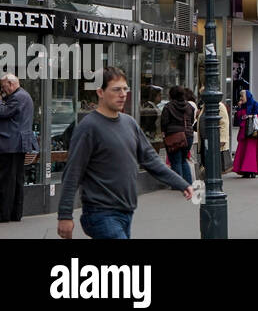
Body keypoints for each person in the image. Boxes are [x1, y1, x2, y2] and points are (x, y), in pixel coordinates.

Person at [58, 67, 192, 239]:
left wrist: (182, 183)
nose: (123, 94)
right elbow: (72, 173)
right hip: (100, 214)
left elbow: (151, 160)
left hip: (126, 212)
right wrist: (64, 216)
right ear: (100, 92)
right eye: (116, 89)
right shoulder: (88, 127)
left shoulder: (129, 123)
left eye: (125, 89)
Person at [0, 74, 36, 222]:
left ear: (11, 83)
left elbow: (3, 112)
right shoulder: (22, 95)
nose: (3, 90)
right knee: (15, 180)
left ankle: (4, 214)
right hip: (15, 144)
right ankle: (15, 213)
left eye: (3, 86)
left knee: (7, 181)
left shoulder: (18, 97)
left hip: (11, 144)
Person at [159, 86, 195, 184]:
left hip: (174, 136)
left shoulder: (168, 107)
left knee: (175, 160)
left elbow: (164, 123)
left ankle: (178, 184)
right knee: (183, 159)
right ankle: (188, 182)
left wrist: (165, 132)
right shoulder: (189, 106)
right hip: (188, 135)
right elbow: (191, 120)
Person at [232, 90, 258, 177]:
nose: (241, 98)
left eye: (242, 96)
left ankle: (251, 170)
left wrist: (252, 116)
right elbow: (238, 118)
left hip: (252, 132)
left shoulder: (255, 105)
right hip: (243, 131)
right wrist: (239, 108)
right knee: (243, 150)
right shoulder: (242, 106)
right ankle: (244, 170)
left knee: (250, 152)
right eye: (240, 96)